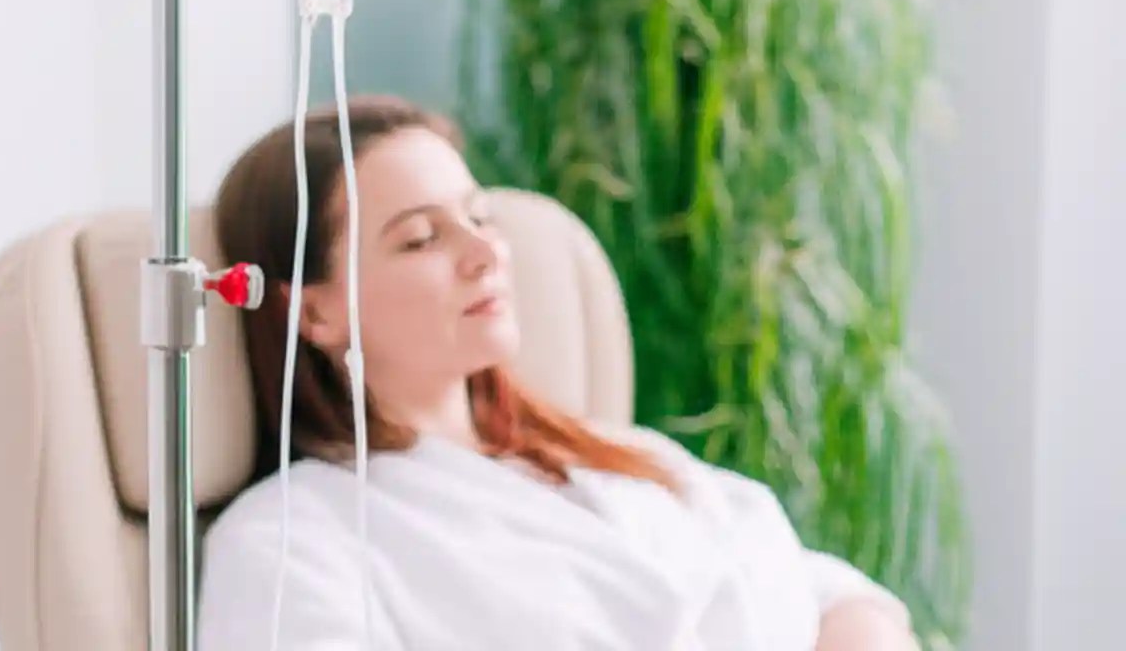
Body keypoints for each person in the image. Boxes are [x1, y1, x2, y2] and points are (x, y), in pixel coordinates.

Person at [197, 95, 919, 650]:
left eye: (480, 217)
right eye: (420, 239)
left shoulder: (618, 458)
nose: (483, 253)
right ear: (314, 314)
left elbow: (824, 588)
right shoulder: (294, 538)